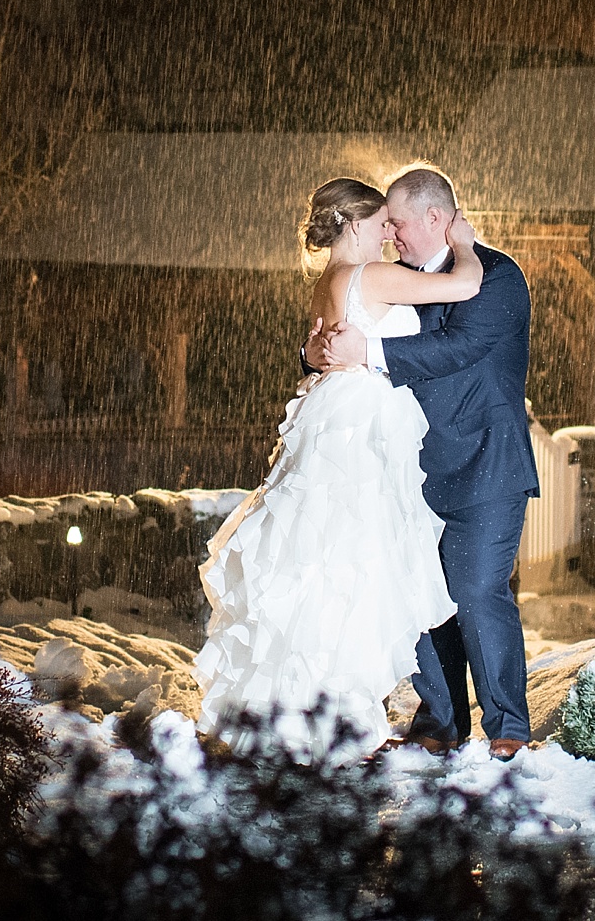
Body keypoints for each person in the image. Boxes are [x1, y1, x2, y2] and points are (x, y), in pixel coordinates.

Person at [195, 176, 480, 757]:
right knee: (352, 566)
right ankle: (329, 718)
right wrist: (465, 240)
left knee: (320, 564)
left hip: (332, 415)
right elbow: (465, 284)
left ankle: (292, 709)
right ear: (353, 225)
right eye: (380, 226)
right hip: (359, 429)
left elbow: (322, 347)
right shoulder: (369, 276)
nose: (389, 236)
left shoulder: (327, 281)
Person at [307, 165, 541, 761]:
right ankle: (441, 724)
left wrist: (371, 350)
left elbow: (457, 347)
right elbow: (347, 317)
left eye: (400, 224)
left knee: (475, 590)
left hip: (486, 465)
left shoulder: (497, 277)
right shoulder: (402, 276)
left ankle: (508, 725)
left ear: (436, 218)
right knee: (418, 595)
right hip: (410, 471)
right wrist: (314, 352)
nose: (393, 236)